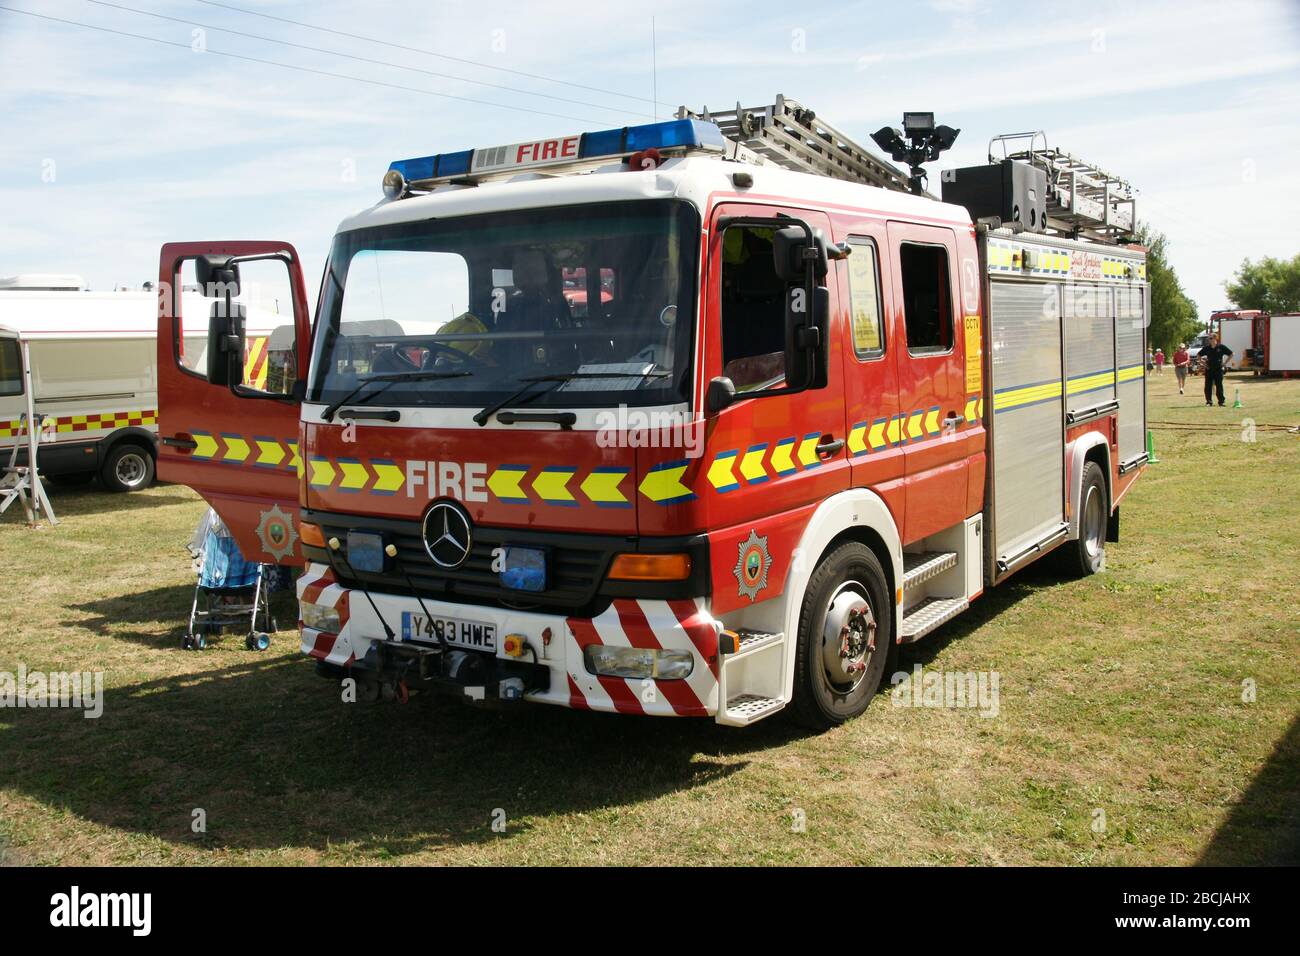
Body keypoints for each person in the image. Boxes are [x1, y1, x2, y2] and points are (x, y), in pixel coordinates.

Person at [1198, 333, 1233, 407]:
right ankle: (1209, 402)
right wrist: (1203, 363)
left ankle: (1221, 402)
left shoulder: (1221, 347)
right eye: (1209, 339)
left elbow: (1231, 354)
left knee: (1219, 385)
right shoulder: (1207, 348)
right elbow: (1198, 355)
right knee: (1208, 386)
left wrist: (1225, 363)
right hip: (1209, 369)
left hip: (1218, 369)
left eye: (1211, 338)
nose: (1209, 340)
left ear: (1215, 338)